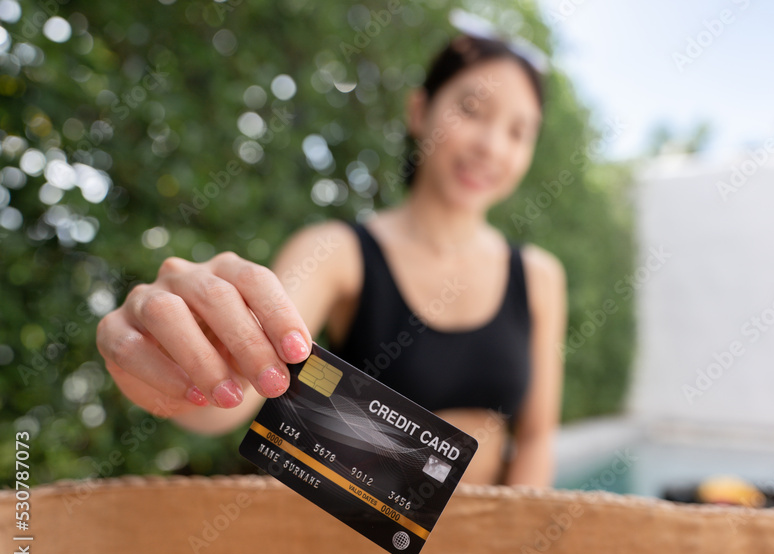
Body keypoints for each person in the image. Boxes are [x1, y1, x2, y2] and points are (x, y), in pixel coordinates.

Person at [96, 33, 567, 486]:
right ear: (420, 111)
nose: (492, 145)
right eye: (471, 110)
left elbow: (537, 435)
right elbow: (242, 386)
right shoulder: (335, 253)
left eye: (518, 132)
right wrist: (174, 368)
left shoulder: (540, 276)